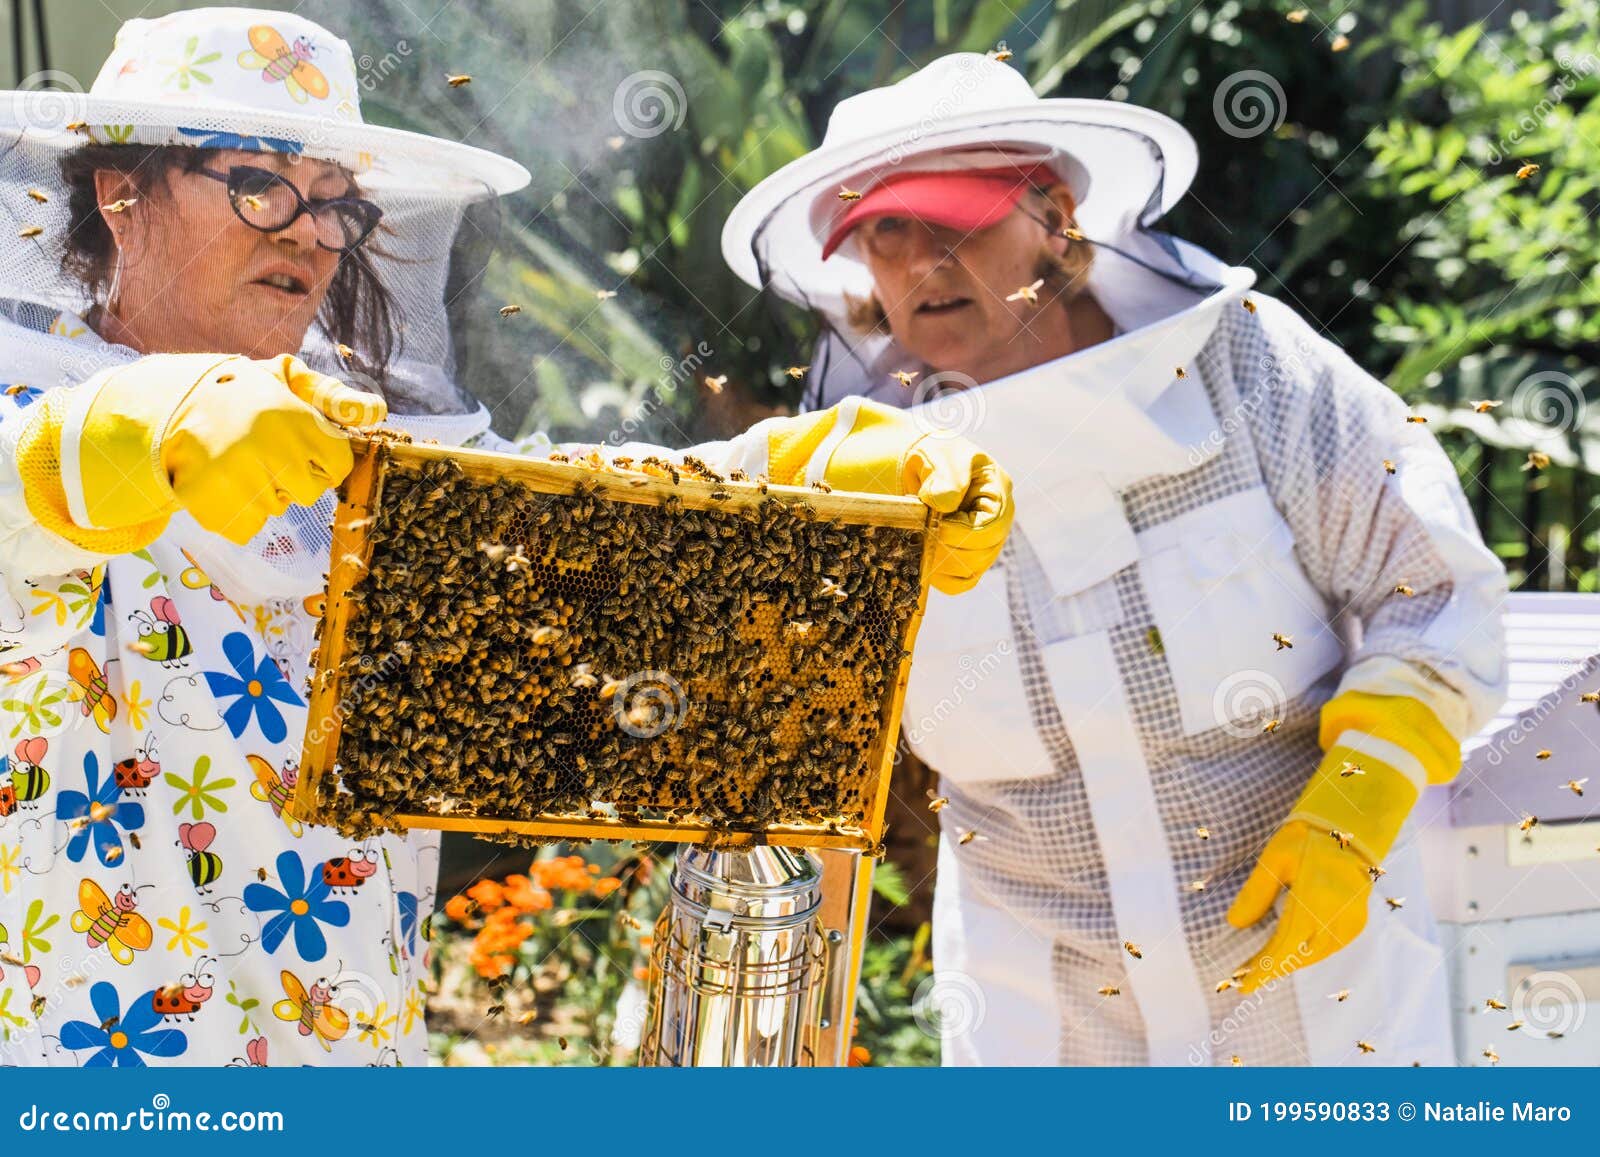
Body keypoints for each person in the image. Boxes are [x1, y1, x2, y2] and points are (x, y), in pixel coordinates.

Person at [0, 10, 1013, 1067]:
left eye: (338, 201)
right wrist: (124, 439)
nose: (310, 230)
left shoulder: (366, 446)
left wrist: (792, 482)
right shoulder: (29, 415)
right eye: (260, 183)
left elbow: (579, 523)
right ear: (120, 192)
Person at [721, 53, 1509, 1066]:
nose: (921, 261)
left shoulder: (1247, 366)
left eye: (955, 218)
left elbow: (1432, 583)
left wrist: (1361, 798)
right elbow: (807, 747)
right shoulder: (857, 467)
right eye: (883, 231)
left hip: (1316, 979)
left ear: (1054, 217)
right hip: (1037, 1016)